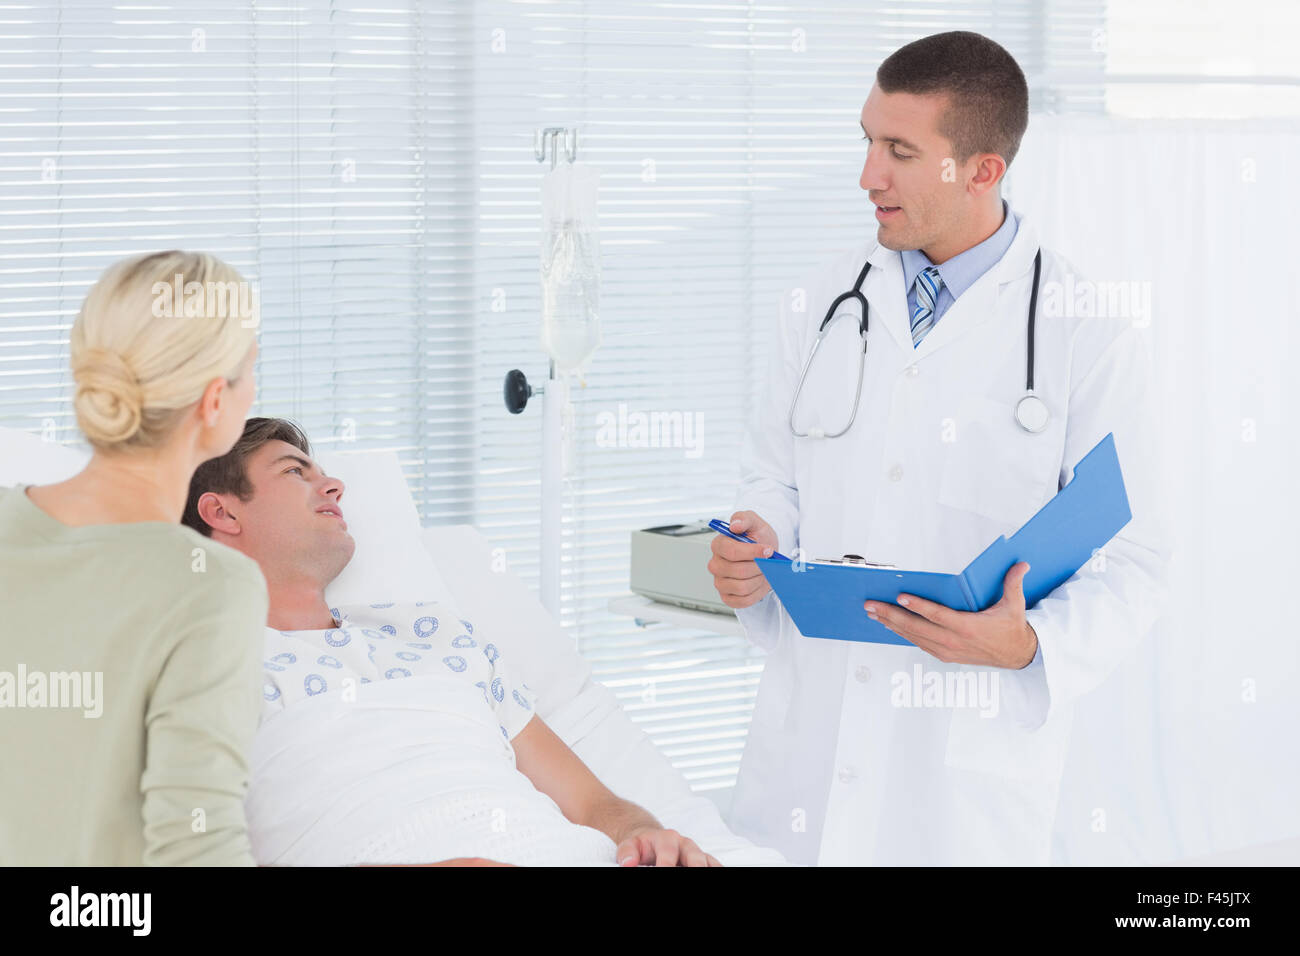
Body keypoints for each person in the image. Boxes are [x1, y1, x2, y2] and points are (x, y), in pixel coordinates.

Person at [707, 31, 1171, 865]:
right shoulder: (819, 302)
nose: (867, 176)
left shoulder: (1087, 332)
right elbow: (773, 476)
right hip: (808, 758)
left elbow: (1133, 561)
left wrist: (1030, 645)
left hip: (962, 780)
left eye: (900, 152)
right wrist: (758, 540)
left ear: (982, 170)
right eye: (868, 141)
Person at [181, 417, 722, 867]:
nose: (334, 486)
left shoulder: (436, 636)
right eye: (296, 472)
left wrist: (648, 836)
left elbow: (593, 802)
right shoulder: (195, 667)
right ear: (222, 511)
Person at [0, 251, 267, 864]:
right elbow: (197, 845)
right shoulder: (210, 587)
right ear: (211, 402)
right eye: (251, 369)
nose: (254, 390)